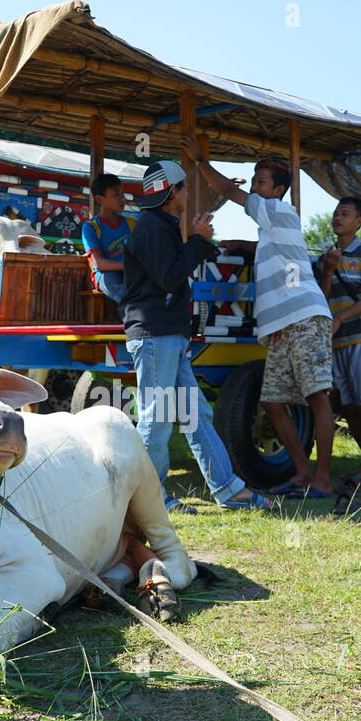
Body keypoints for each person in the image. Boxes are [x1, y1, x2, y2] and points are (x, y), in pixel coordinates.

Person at [182, 133, 336, 499]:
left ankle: (323, 480)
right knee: (271, 401)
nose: (253, 188)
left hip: (304, 319)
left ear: (279, 190)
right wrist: (242, 246)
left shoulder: (280, 211)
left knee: (317, 398)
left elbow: (231, 193)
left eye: (261, 183)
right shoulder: (274, 224)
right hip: (282, 327)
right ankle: (301, 473)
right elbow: (274, 249)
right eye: (253, 182)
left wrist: (201, 161)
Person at [119, 158, 273, 512]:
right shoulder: (152, 227)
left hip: (165, 334)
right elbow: (171, 277)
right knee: (156, 419)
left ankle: (228, 489)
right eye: (185, 186)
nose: (188, 192)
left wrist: (196, 240)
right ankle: (150, 500)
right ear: (174, 191)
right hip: (156, 334)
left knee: (194, 415)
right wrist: (200, 241)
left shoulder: (160, 225)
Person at [313, 196, 361, 487]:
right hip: (334, 339)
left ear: (359, 221)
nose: (337, 218)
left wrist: (342, 317)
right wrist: (329, 269)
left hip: (358, 336)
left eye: (345, 214)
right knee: (347, 404)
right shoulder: (326, 255)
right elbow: (323, 293)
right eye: (335, 213)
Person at [81, 173, 134, 305]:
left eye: (122, 194)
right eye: (116, 195)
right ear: (99, 200)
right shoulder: (91, 227)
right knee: (110, 281)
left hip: (131, 272)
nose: (123, 199)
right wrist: (128, 266)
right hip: (106, 274)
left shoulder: (133, 224)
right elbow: (99, 263)